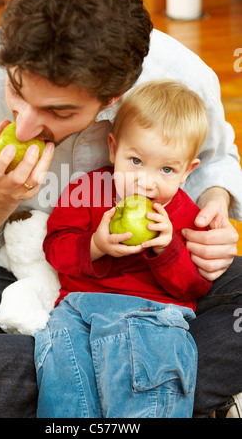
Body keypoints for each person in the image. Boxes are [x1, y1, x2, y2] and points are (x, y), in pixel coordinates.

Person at [0, 0, 240, 418]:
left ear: (114, 97)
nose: (23, 126)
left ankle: (73, 392)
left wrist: (213, 211)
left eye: (58, 110)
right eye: (16, 91)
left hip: (154, 299)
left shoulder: (181, 78)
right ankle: (150, 389)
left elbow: (215, 162)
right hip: (10, 272)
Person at [35, 79, 213, 418]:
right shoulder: (85, 190)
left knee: (150, 391)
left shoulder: (185, 214)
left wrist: (168, 250)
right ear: (113, 149)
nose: (145, 181)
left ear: (187, 171)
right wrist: (95, 245)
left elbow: (195, 287)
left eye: (165, 169)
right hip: (78, 312)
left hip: (152, 313)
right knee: (62, 386)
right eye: (135, 161)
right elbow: (55, 247)